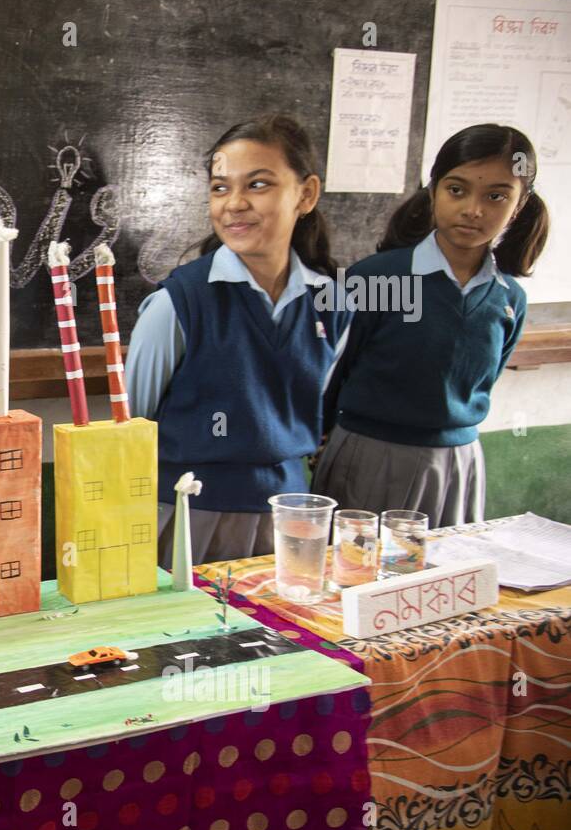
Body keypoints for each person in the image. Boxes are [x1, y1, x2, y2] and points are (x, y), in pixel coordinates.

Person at [125, 113, 350, 566]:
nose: (234, 204)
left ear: (305, 195)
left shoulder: (332, 302)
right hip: (187, 515)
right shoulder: (178, 304)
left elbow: (313, 404)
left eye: (259, 185)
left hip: (290, 518)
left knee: (286, 636)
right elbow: (131, 424)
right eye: (221, 187)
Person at [315, 124, 548, 526]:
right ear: (434, 189)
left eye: (496, 196)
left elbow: (481, 381)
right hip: (368, 455)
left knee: (443, 579)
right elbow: (327, 373)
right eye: (456, 190)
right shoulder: (375, 279)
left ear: (520, 204)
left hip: (457, 465)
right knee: (356, 580)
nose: (473, 210)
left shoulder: (508, 298)